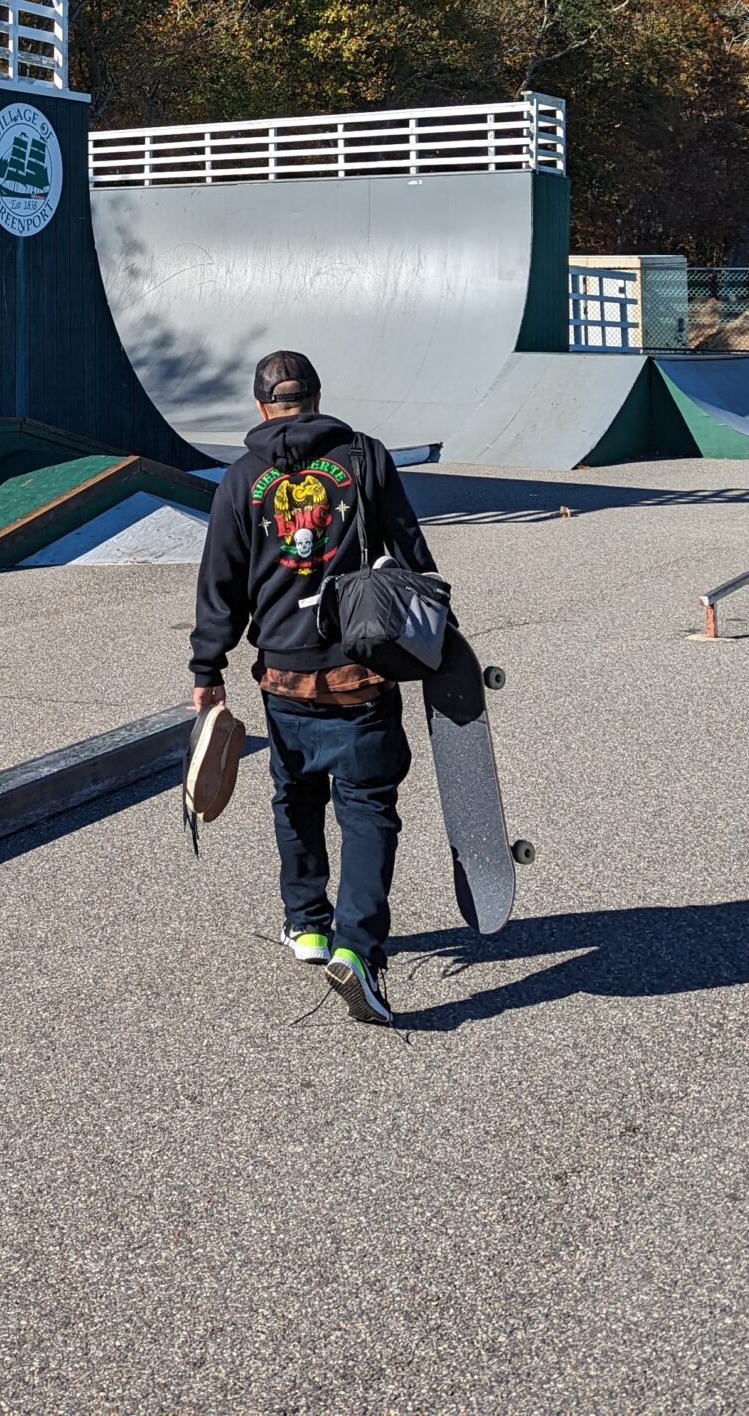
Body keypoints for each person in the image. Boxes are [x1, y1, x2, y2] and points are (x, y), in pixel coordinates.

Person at [189, 347, 440, 1025]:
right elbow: (413, 559)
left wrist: (207, 671)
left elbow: (221, 583)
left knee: (294, 791)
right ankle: (357, 948)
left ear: (261, 406)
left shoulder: (242, 478)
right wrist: (439, 650)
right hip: (359, 669)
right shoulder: (365, 458)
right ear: (319, 397)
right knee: (366, 806)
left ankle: (305, 924)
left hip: (283, 673)